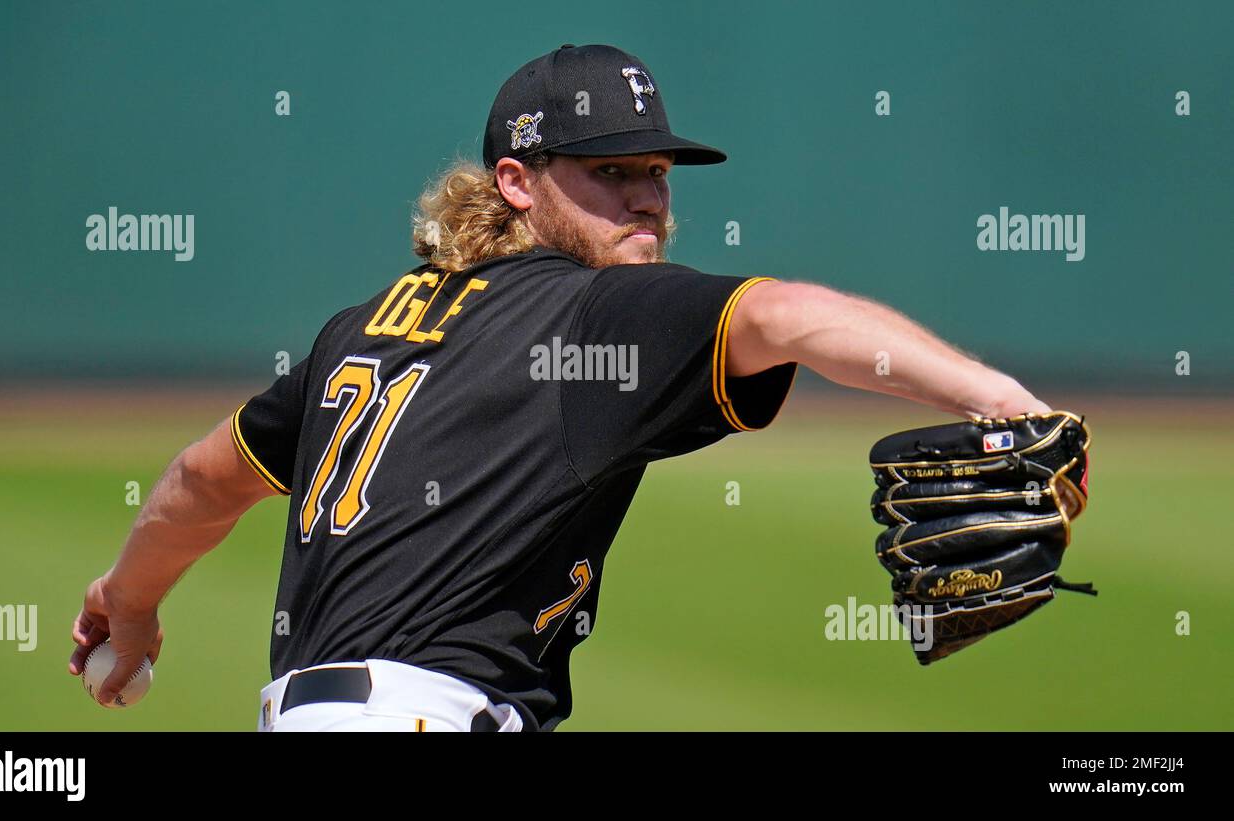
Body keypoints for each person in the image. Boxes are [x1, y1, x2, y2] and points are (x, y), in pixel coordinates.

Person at [68, 44, 1049, 732]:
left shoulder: (361, 331)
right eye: (609, 169)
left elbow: (202, 481)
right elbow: (780, 315)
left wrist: (133, 599)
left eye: (658, 170)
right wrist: (995, 395)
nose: (648, 197)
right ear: (516, 181)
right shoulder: (591, 317)